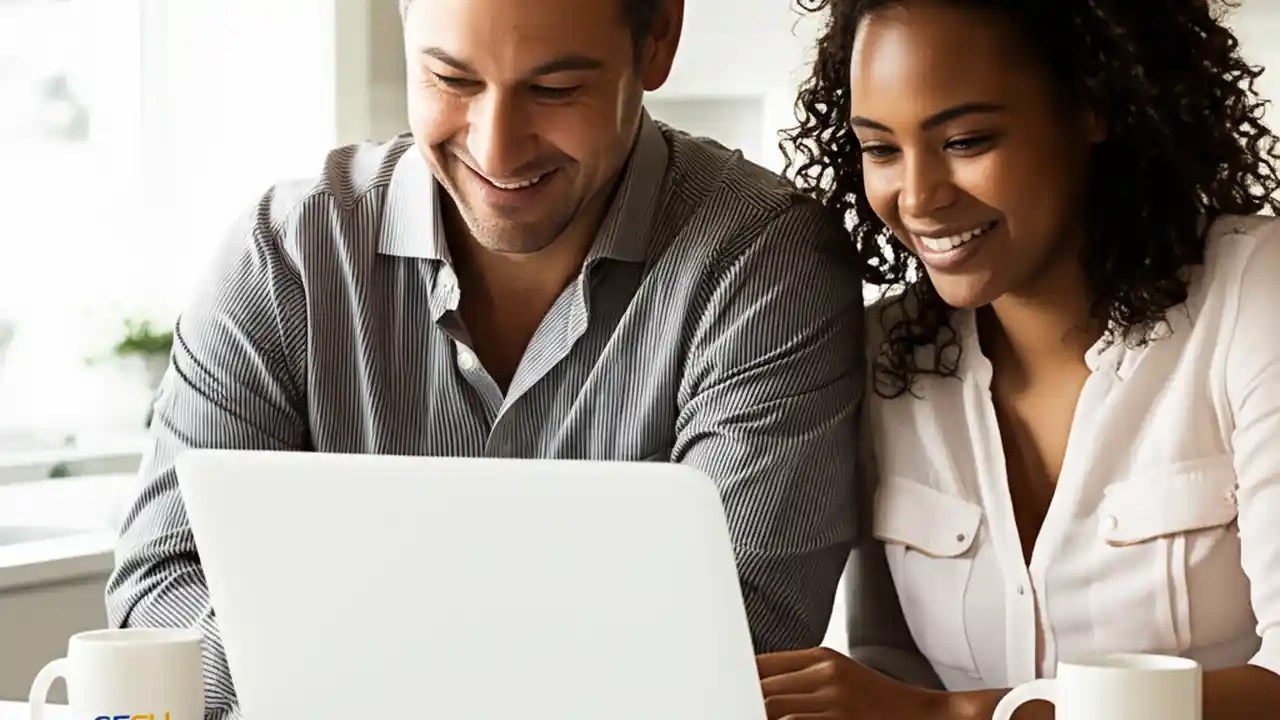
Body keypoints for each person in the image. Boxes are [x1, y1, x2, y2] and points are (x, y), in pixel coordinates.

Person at [105, 0, 864, 716]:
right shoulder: (286, 257)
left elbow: (736, 639)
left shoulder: (764, 262)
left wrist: (333, 662)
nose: (496, 146)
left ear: (659, 37)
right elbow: (158, 595)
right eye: (451, 79)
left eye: (556, 88)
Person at [755, 0, 1280, 718]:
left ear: (1094, 106)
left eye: (966, 141)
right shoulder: (884, 356)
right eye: (880, 148)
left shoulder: (1256, 296)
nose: (918, 197)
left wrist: (962, 715)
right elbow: (894, 664)